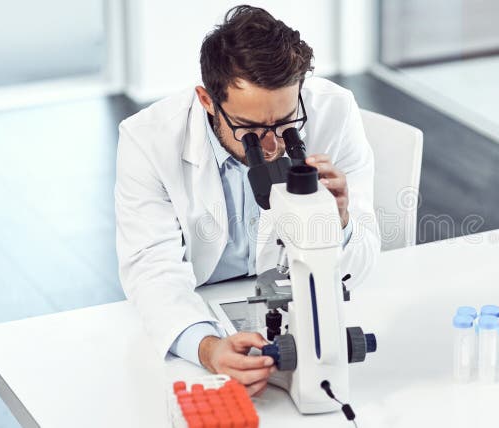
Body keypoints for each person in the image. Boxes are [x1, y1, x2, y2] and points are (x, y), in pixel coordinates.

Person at [114, 5, 380, 397]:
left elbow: (362, 261)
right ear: (207, 100)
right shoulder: (147, 140)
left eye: (287, 123)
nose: (272, 146)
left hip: (297, 302)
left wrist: (337, 222)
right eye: (251, 130)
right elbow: (151, 269)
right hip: (201, 304)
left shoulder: (335, 110)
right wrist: (207, 348)